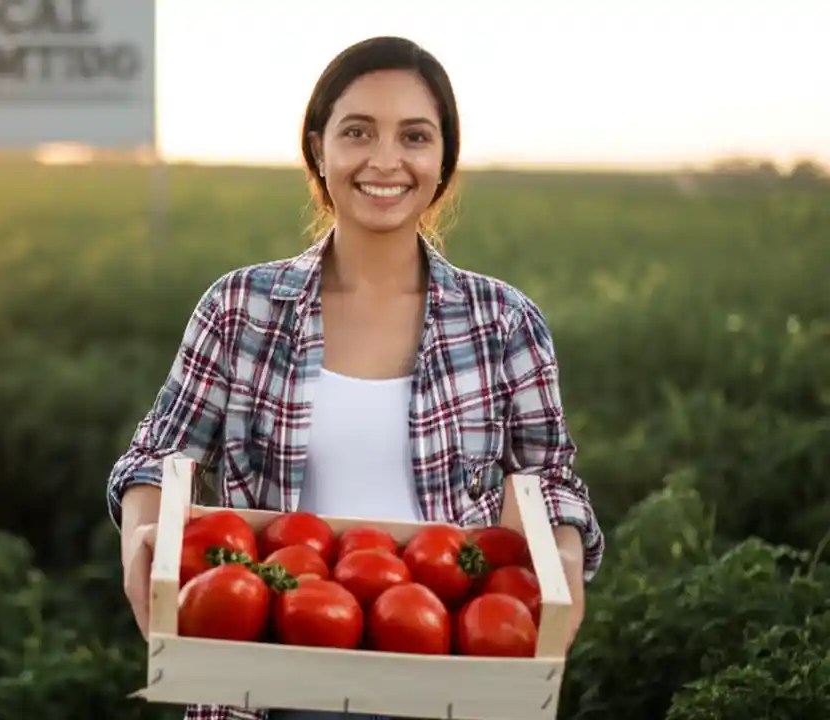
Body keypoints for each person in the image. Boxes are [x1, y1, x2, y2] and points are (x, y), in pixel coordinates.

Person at [106, 35, 604, 720]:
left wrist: (564, 559)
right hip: (263, 682)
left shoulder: (505, 322)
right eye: (358, 132)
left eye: (415, 136)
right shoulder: (240, 308)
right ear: (319, 148)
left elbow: (550, 480)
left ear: (442, 161)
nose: (385, 160)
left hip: (449, 677)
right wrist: (144, 534)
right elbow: (159, 455)